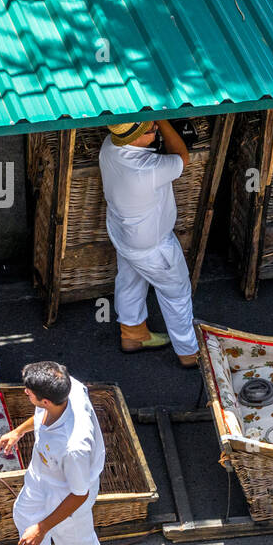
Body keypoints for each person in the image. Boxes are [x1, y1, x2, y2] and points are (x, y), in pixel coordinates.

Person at [0, 361, 110, 545]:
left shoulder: (73, 448)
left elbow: (79, 494)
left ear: (45, 398)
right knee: (24, 516)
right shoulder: (69, 391)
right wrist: (18, 431)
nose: (25, 393)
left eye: (29, 392)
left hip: (67, 495)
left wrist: (44, 526)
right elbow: (42, 415)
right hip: (42, 477)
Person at [99, 119, 199, 367]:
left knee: (129, 279)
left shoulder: (109, 146)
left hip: (124, 234)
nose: (154, 128)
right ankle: (189, 353)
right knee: (177, 294)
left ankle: (133, 334)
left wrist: (152, 126)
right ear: (133, 139)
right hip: (153, 247)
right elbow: (182, 156)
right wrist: (164, 121)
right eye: (150, 128)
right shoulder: (148, 167)